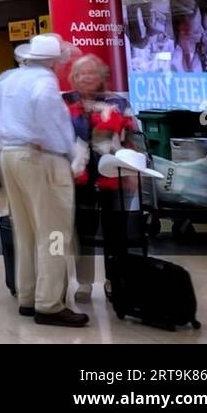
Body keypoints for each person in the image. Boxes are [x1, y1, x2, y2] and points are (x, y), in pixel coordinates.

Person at [0, 33, 88, 328]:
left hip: (9, 155)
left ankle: (28, 295)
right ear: (53, 62)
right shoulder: (45, 83)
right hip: (42, 159)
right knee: (56, 232)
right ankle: (50, 303)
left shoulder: (11, 77)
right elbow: (53, 123)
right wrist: (70, 151)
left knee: (25, 230)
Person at [66, 54, 140, 304]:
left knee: (115, 232)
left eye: (91, 72)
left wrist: (133, 171)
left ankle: (114, 280)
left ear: (101, 76)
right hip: (77, 178)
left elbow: (133, 138)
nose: (86, 77)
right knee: (83, 232)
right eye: (80, 73)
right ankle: (84, 283)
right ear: (73, 78)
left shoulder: (118, 102)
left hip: (114, 176)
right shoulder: (64, 102)